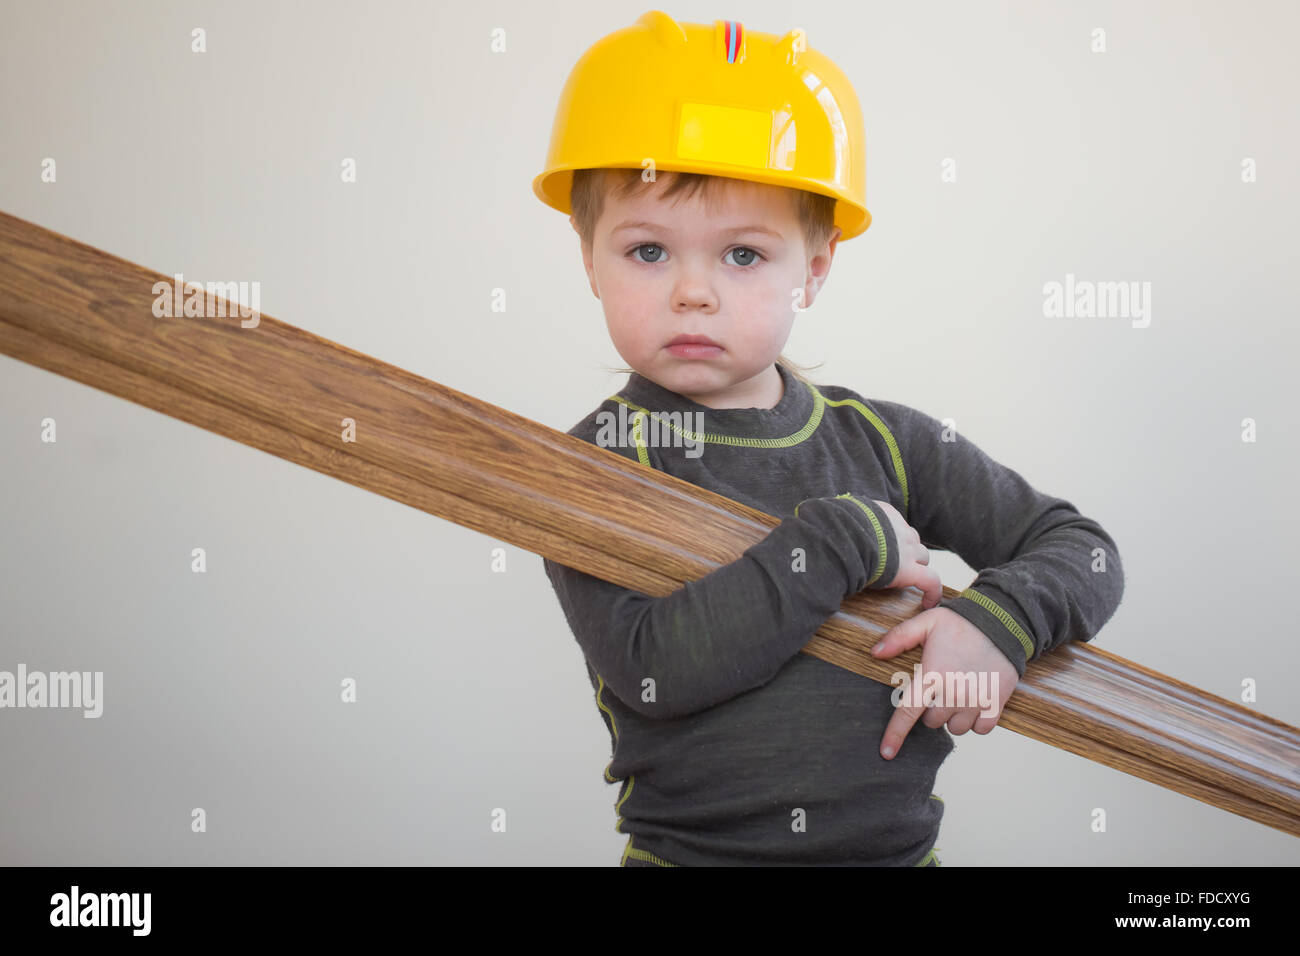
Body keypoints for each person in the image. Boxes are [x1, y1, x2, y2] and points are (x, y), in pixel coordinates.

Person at [534, 12, 1124, 867]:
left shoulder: (884, 442)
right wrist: (844, 541)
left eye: (742, 256)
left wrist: (999, 624)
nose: (693, 292)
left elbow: (1083, 551)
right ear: (589, 257)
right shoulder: (590, 464)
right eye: (649, 250)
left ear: (814, 268)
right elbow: (652, 671)